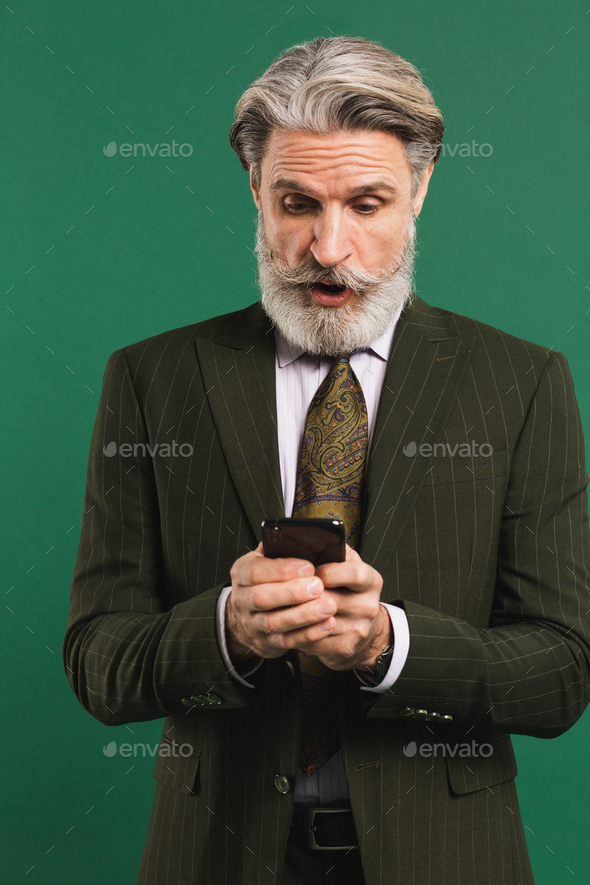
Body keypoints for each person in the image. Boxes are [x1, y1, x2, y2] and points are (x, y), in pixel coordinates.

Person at [63, 35, 590, 885]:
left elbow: (563, 670)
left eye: (368, 204)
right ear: (255, 190)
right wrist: (228, 629)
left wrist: (390, 643)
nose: (330, 247)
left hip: (448, 861)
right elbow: (97, 659)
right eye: (297, 203)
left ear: (421, 188)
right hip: (216, 856)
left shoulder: (521, 383)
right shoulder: (152, 379)